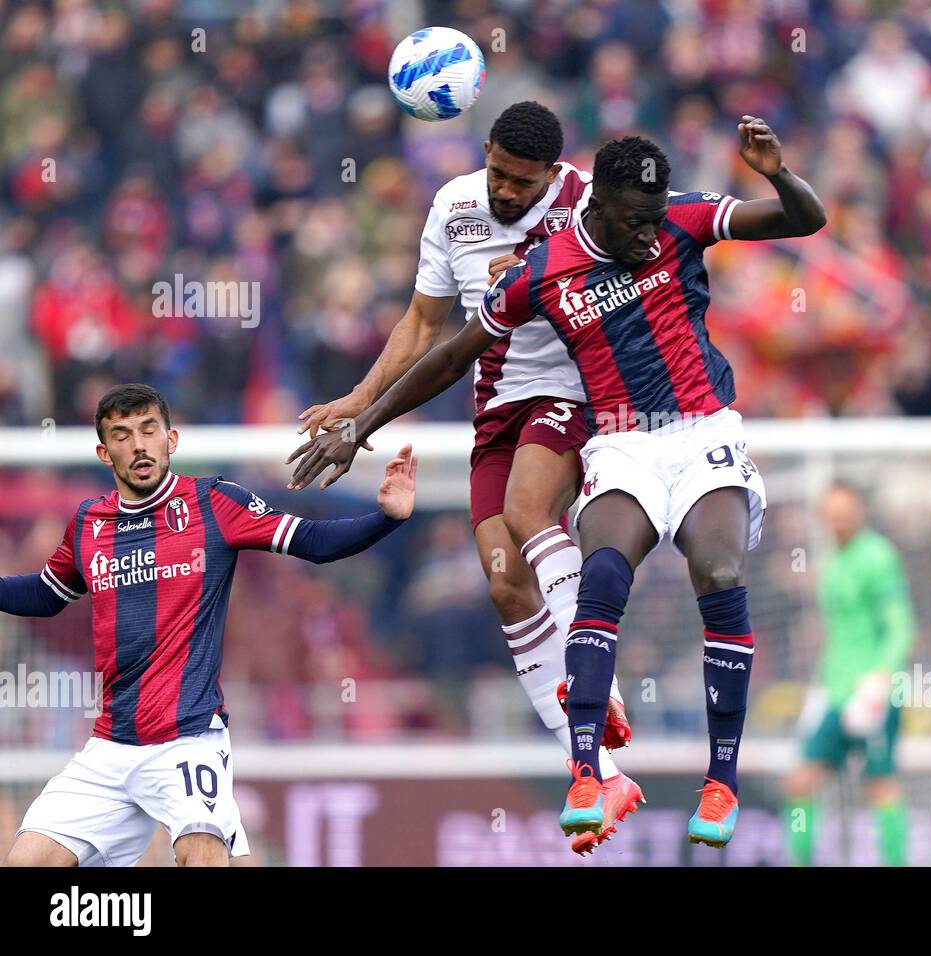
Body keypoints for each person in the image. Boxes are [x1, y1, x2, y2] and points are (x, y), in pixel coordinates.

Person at [287, 115, 826, 848]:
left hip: (664, 423)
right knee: (523, 575)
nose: (646, 235)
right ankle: (594, 766)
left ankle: (714, 774)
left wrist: (775, 169)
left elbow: (803, 218)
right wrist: (363, 418)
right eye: (634, 221)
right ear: (596, 209)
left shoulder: (673, 218)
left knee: (704, 564)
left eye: (651, 221)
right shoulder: (534, 260)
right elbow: (444, 349)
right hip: (574, 427)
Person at [291, 101, 638, 854]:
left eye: (523, 182)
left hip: (577, 392)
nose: (507, 192)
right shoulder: (452, 207)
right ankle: (599, 771)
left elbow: (646, 280)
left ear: (554, 172)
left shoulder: (589, 201)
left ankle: (598, 686)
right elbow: (423, 325)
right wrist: (358, 403)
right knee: (503, 576)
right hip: (495, 403)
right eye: (499, 174)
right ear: (484, 151)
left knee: (525, 512)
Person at [2, 383, 414, 867]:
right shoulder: (89, 523)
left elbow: (314, 542)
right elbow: (46, 595)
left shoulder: (215, 504)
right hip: (110, 745)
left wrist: (385, 518)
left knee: (201, 856)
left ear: (170, 440)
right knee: (27, 862)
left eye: (148, 430)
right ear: (103, 450)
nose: (138, 445)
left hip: (188, 739)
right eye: (122, 435)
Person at [784, 482, 916, 866]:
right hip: (835, 690)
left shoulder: (877, 556)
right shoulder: (830, 563)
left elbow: (901, 626)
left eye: (844, 509)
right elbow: (838, 635)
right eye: (830, 511)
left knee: (881, 785)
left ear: (860, 510)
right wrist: (820, 689)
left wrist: (880, 678)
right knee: (800, 781)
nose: (837, 518)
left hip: (872, 692)